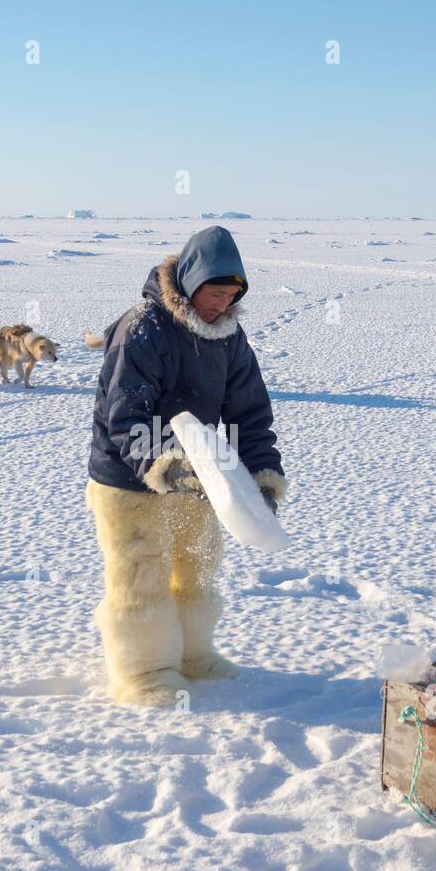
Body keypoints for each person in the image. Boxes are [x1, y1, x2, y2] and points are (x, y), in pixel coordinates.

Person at [86, 226, 286, 706]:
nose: (221, 305)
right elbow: (124, 414)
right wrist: (159, 465)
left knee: (195, 568)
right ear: (192, 282)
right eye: (215, 294)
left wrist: (261, 480)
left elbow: (250, 414)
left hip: (201, 477)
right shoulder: (144, 328)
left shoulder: (229, 337)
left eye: (231, 296)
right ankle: (144, 672)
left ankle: (193, 654)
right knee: (141, 573)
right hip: (128, 478)